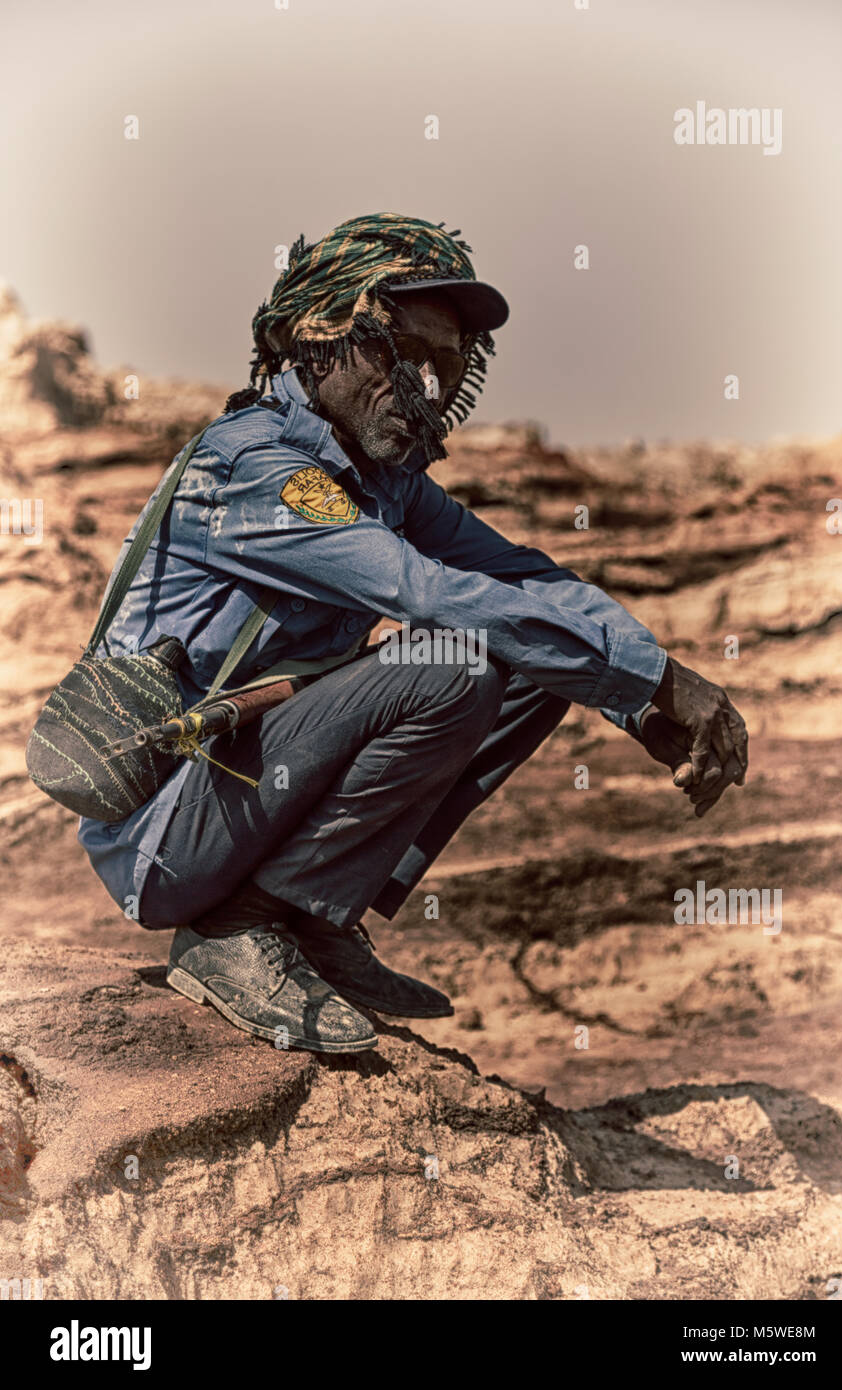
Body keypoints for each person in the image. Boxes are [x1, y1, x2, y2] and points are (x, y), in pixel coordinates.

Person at [79, 213, 748, 1054]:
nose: (427, 389)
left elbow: (524, 580)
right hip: (167, 826)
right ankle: (238, 930)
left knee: (545, 654)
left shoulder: (379, 478)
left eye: (448, 364)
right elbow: (424, 592)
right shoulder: (259, 467)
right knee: (455, 667)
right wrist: (657, 681)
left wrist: (641, 699)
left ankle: (313, 916)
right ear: (322, 336)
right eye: (401, 353)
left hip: (238, 787)